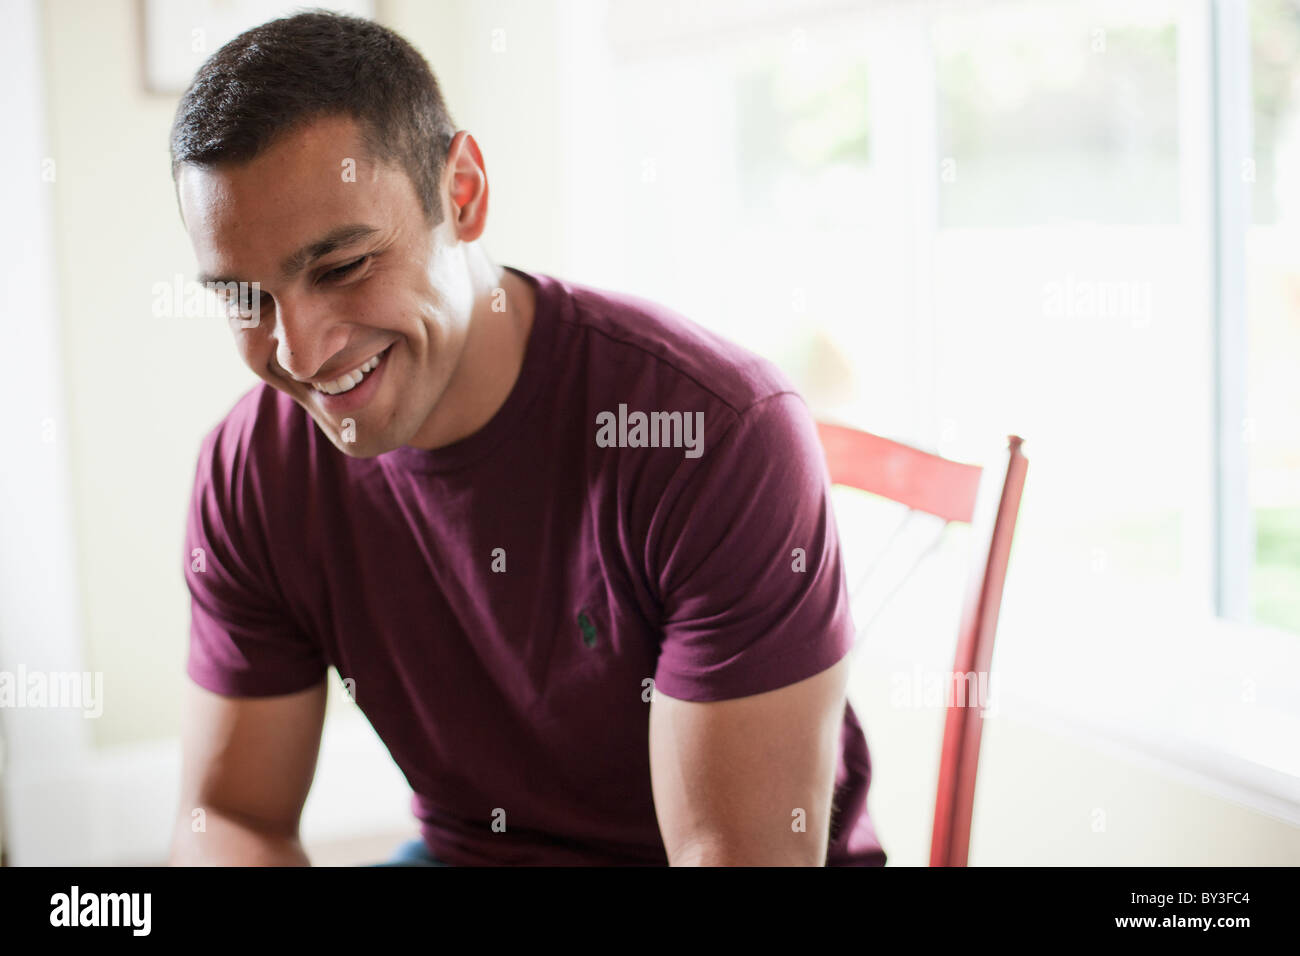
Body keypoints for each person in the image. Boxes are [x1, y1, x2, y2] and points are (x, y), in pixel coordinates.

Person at [167, 10, 885, 867]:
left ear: (461, 193)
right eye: (246, 299)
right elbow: (232, 818)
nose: (299, 353)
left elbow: (731, 857)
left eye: (344, 266)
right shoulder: (254, 469)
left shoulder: (715, 436)